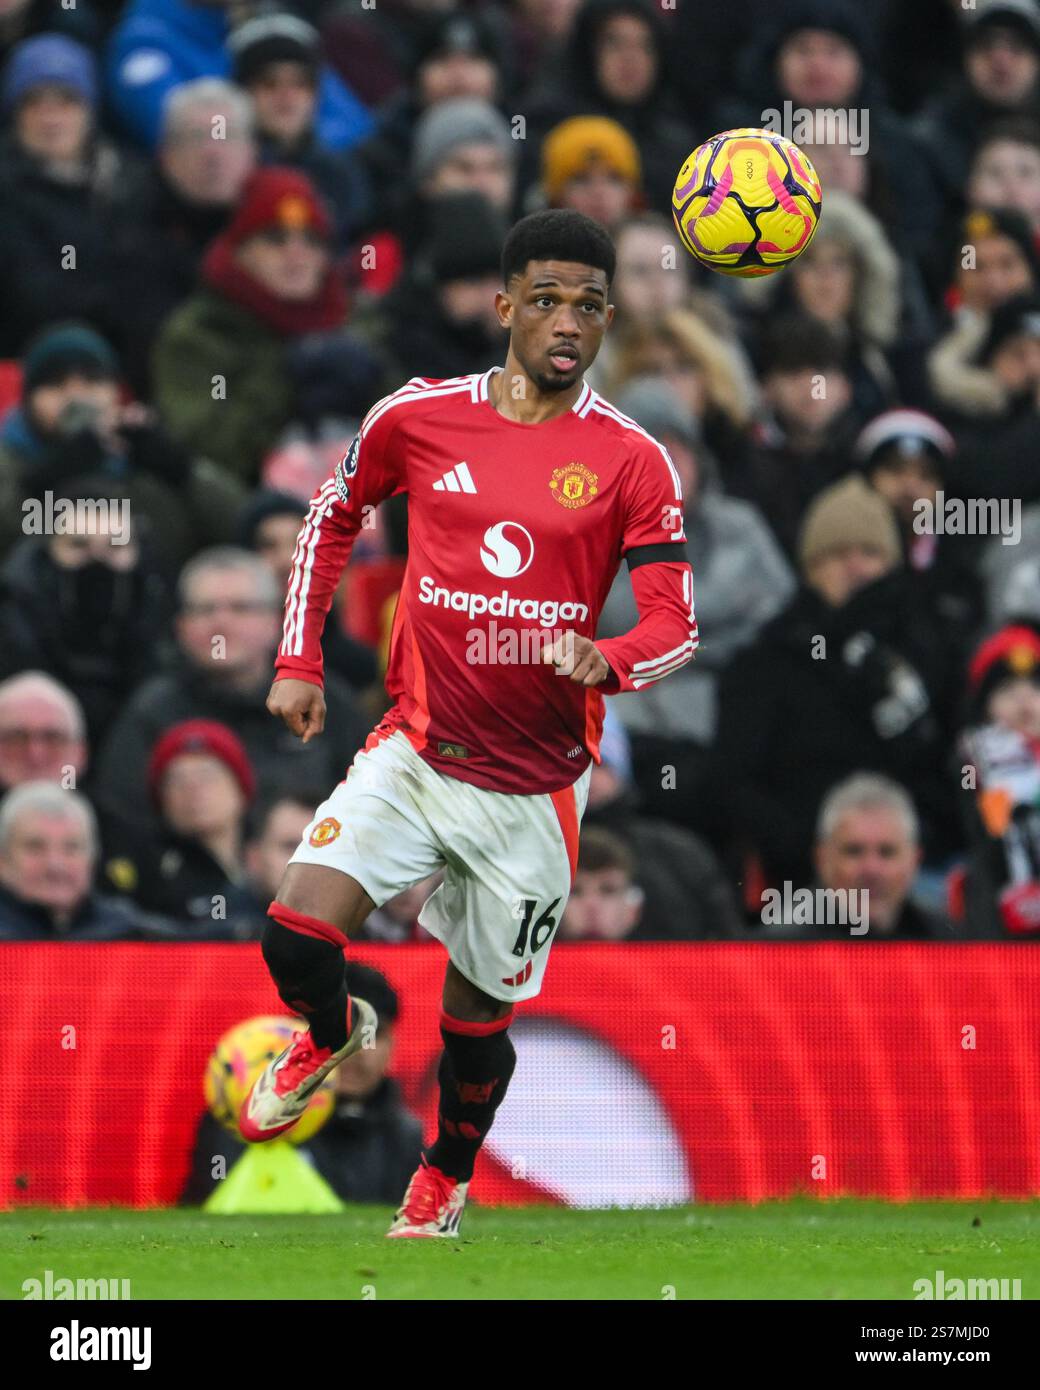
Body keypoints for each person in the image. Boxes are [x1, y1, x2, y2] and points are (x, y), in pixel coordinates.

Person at [239, 208, 698, 1241]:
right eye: (543, 299)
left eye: (586, 303)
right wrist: (299, 657)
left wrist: (610, 657)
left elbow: (674, 622)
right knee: (296, 928)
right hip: (415, 746)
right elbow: (332, 513)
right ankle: (327, 1031)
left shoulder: (631, 460)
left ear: (610, 318)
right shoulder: (417, 416)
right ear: (502, 309)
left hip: (534, 789)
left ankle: (443, 1176)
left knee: (474, 1016)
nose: (564, 320)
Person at [91, 547, 369, 831]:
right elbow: (124, 817)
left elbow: (370, 809)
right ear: (181, 626)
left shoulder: (323, 701)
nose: (221, 623)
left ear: (276, 622)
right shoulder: (150, 712)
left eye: (240, 608)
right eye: (205, 609)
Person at [182, 963, 423, 1205]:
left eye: (371, 1035)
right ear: (300, 1036)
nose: (354, 1051)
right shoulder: (242, 1122)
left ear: (392, 1045)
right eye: (339, 1032)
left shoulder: (405, 1138)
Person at [755, 773, 954, 939]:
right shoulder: (779, 954)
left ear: (914, 861)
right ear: (821, 859)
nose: (871, 869)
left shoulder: (948, 943)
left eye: (887, 852)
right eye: (853, 851)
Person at [0, 781, 173, 940]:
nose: (55, 864)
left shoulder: (129, 932)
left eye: (71, 848)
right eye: (35, 847)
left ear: (92, 859)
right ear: (3, 859)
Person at [0, 672, 87, 794]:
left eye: (53, 739)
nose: (36, 755)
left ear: (79, 754)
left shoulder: (104, 812)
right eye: (17, 739)